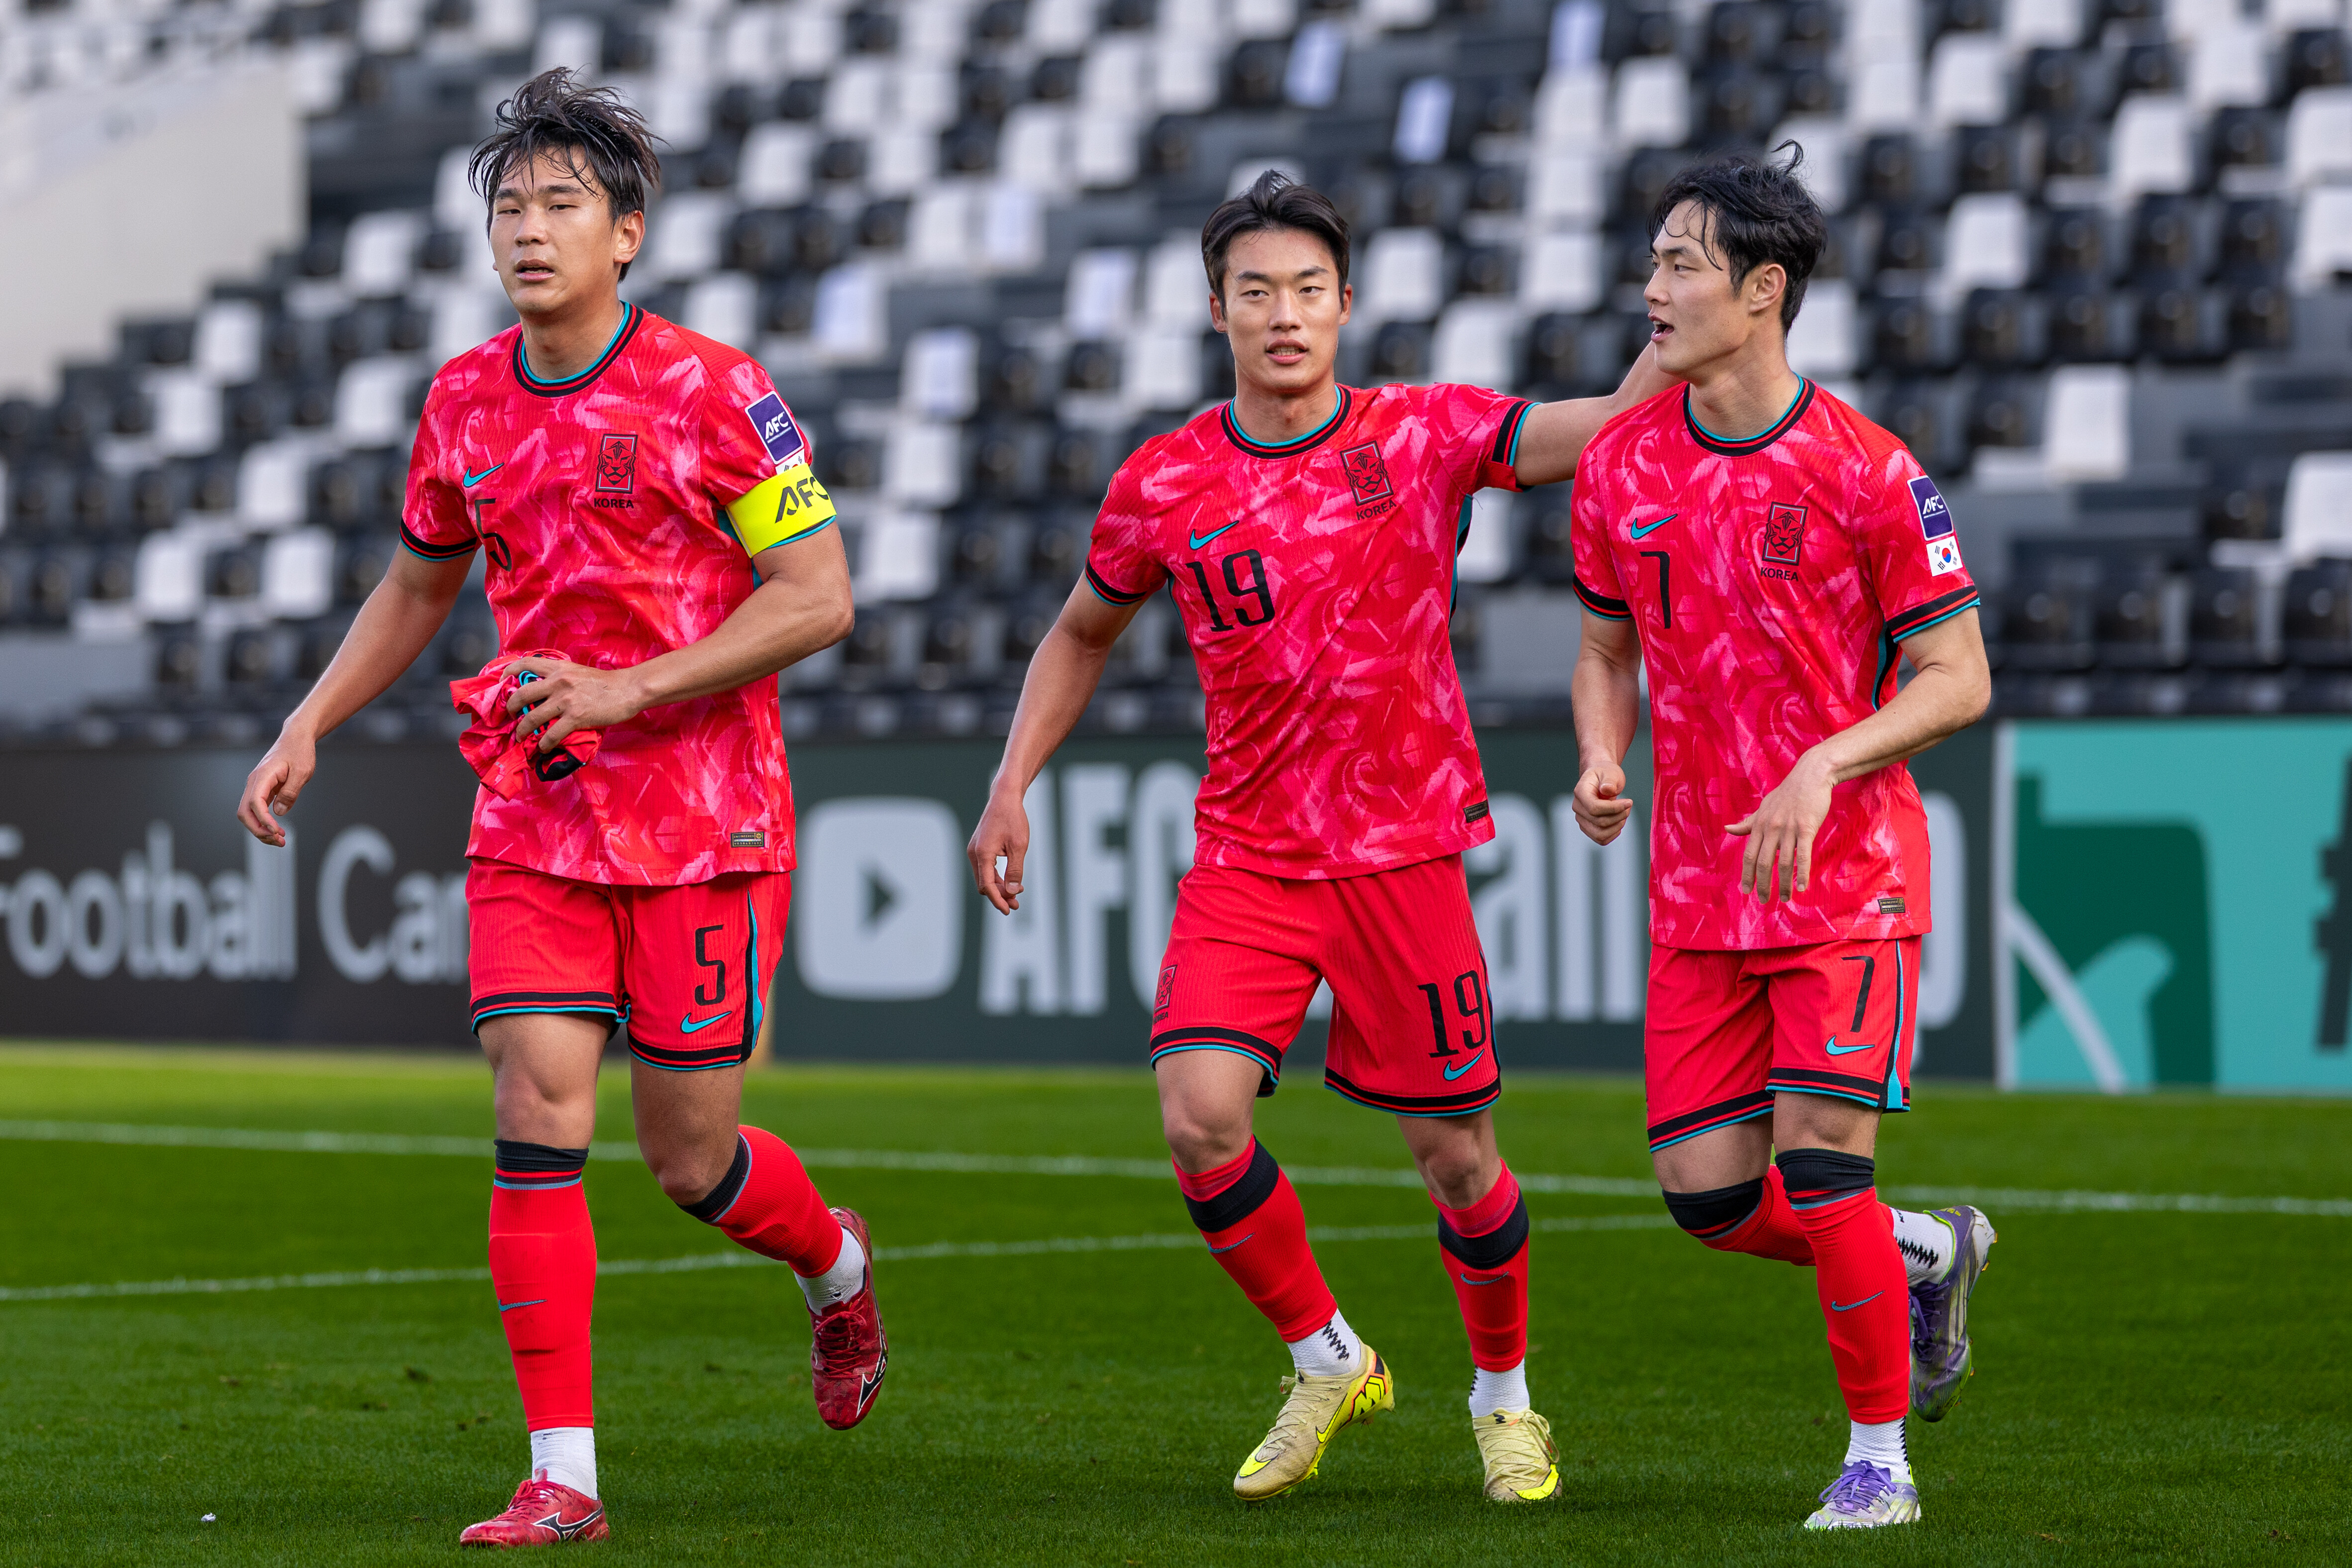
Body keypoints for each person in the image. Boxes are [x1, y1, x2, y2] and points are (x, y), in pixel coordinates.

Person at [232, 70, 884, 1548]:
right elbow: (418, 583)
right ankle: (565, 1477)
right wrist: (309, 720)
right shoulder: (463, 398)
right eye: (510, 208)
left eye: (562, 205)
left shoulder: (719, 391)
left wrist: (634, 689)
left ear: (629, 232)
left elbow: (820, 598)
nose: (530, 231)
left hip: (706, 817)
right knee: (536, 1107)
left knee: (690, 1158)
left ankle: (837, 1269)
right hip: (534, 808)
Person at [966, 170, 1671, 1505]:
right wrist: (1012, 784)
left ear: (1346, 306)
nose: (1283, 315)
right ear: (1217, 312)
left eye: (1306, 290)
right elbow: (1080, 630)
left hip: (1404, 854)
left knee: (1459, 1159)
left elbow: (1610, 427)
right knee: (1200, 1122)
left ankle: (1506, 1400)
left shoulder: (1419, 434)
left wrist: (1674, 333)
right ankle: (1326, 1353)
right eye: (1255, 293)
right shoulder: (1165, 480)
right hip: (1248, 858)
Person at [1567, 146, 1998, 1531]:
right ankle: (1922, 1254)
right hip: (1697, 888)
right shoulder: (1623, 463)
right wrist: (1597, 751)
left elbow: (1959, 678)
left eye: (1681, 264)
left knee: (1821, 1170)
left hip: (1847, 877)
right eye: (1652, 263)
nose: (1654, 290)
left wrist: (1828, 757)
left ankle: (1880, 1462)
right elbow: (1601, 643)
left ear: (1764, 291)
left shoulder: (1868, 468)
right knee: (1708, 1201)